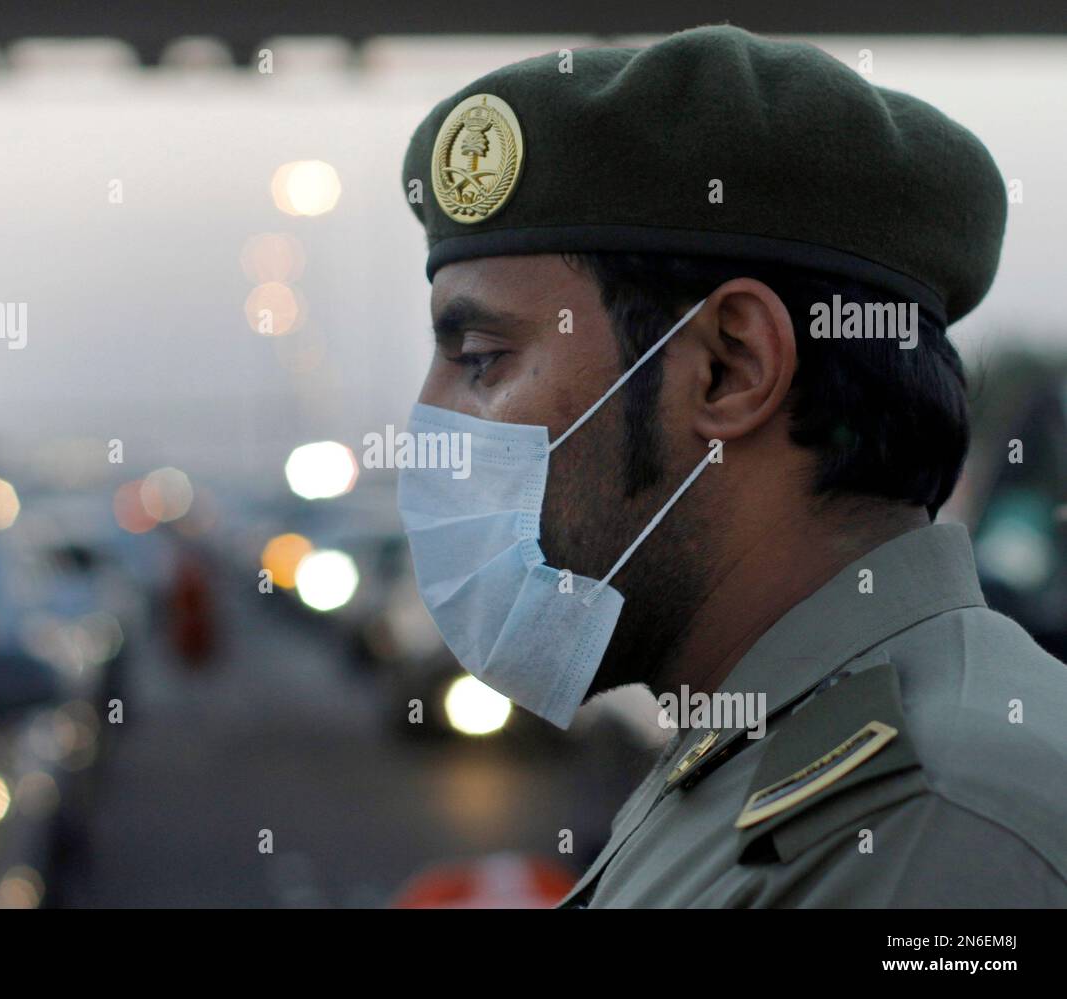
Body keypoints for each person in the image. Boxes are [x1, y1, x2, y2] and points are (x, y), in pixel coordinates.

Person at [395, 24, 1067, 907]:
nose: (429, 424)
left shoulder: (929, 828)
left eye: (481, 356)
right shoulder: (758, 752)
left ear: (730, 366)